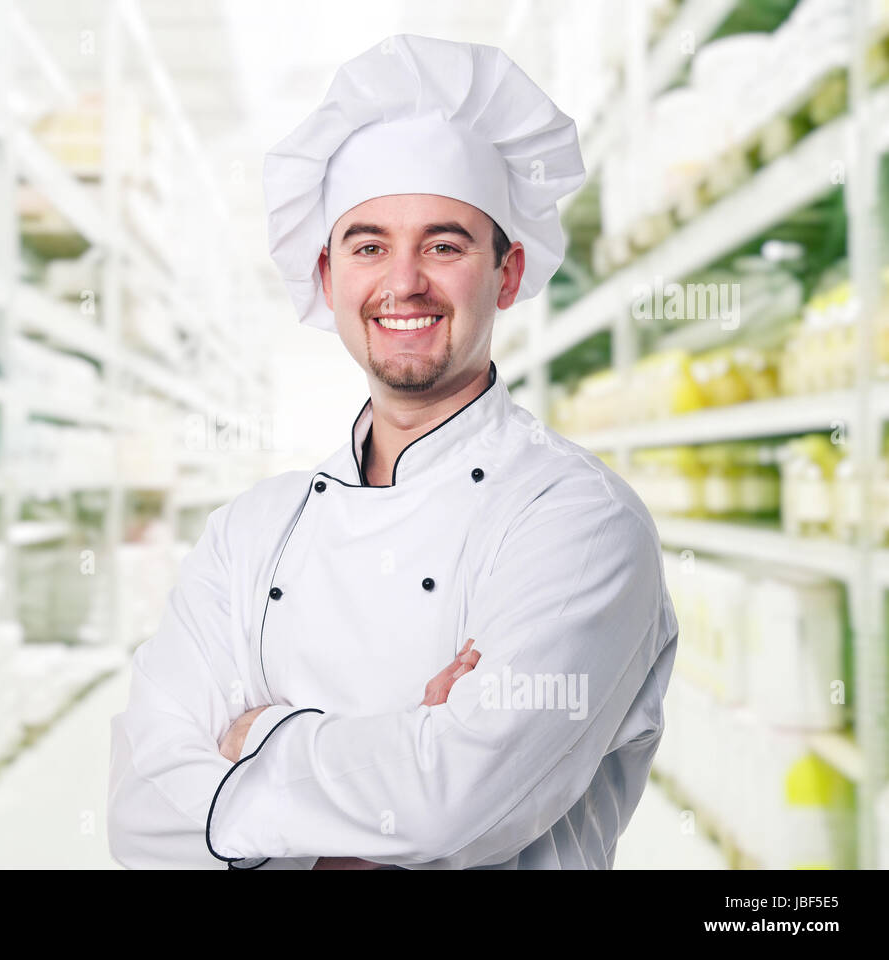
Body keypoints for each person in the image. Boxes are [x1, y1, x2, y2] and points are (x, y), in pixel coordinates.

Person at [107, 35, 679, 870]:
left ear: (507, 274)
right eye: (368, 245)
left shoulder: (580, 522)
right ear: (327, 274)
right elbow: (141, 814)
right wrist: (408, 749)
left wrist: (253, 738)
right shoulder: (248, 533)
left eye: (444, 246)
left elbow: (448, 805)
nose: (402, 282)